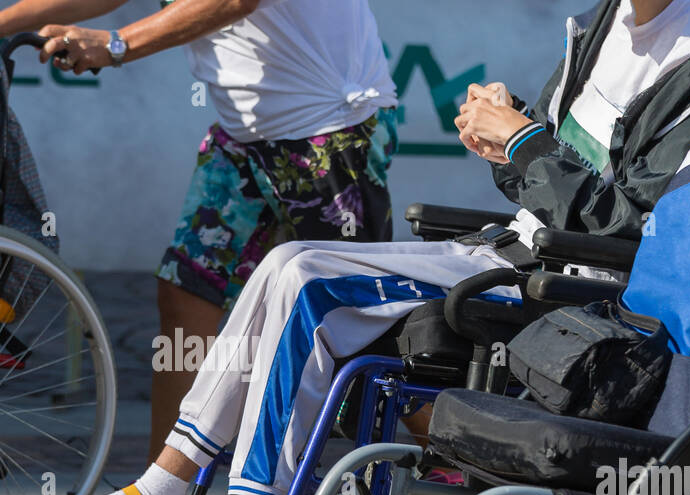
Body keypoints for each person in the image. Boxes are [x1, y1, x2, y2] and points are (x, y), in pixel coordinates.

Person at [32, 0, 690, 495]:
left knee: (312, 282)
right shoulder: (605, 20)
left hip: (575, 286)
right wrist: (506, 134)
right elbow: (560, 165)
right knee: (282, 269)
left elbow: (631, 226)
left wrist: (520, 141)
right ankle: (164, 488)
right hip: (513, 247)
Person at [0, 0, 401, 454]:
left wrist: (116, 44)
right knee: (185, 295)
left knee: (364, 326)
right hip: (243, 137)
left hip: (329, 128)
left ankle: (454, 467)